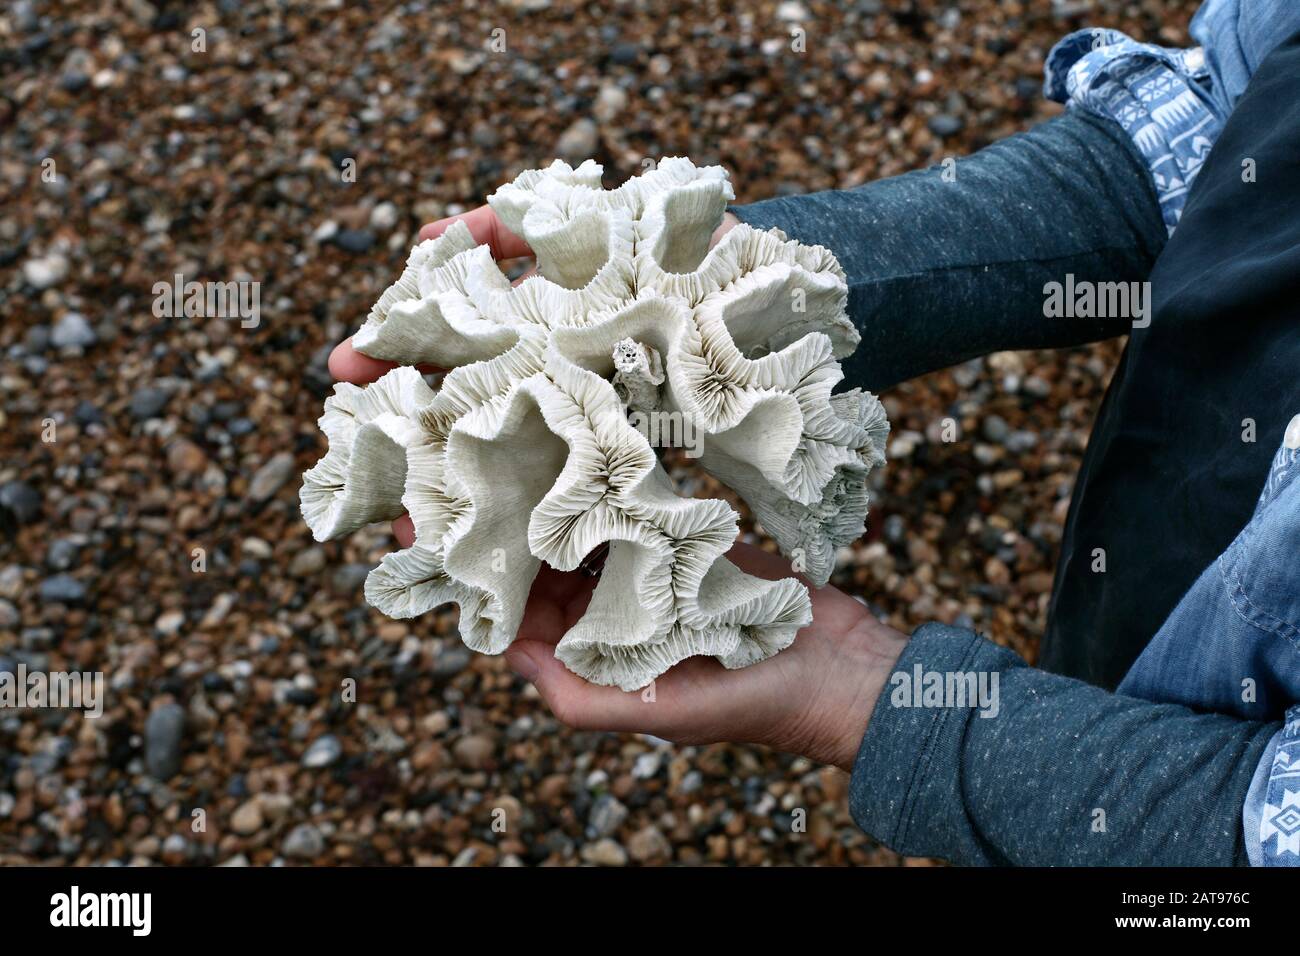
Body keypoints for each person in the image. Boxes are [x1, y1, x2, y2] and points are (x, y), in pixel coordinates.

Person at [328, 0, 1300, 865]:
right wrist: (752, 282)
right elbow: (1218, 132)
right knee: (1106, 653)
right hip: (1148, 555)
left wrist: (863, 697)